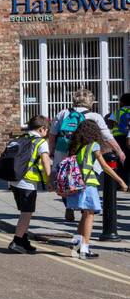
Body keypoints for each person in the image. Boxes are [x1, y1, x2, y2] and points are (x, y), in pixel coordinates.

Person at [51, 88, 125, 221]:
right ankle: (86, 210)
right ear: (91, 102)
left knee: (65, 180)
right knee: (88, 182)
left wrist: (52, 151)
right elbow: (108, 137)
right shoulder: (95, 116)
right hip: (87, 156)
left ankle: (69, 206)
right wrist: (119, 151)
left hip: (64, 153)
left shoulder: (63, 113)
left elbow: (52, 135)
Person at [65, 119, 127, 260]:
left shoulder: (75, 145)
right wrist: (121, 181)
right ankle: (84, 249)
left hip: (76, 183)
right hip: (88, 184)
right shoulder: (93, 146)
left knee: (84, 215)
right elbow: (105, 167)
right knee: (89, 216)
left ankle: (77, 247)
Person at [8, 115, 51, 254]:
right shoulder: (40, 142)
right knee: (26, 213)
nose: (47, 133)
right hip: (28, 182)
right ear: (42, 129)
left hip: (14, 180)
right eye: (47, 130)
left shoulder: (18, 139)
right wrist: (49, 180)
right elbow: (45, 162)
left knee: (24, 211)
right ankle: (17, 241)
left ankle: (24, 240)